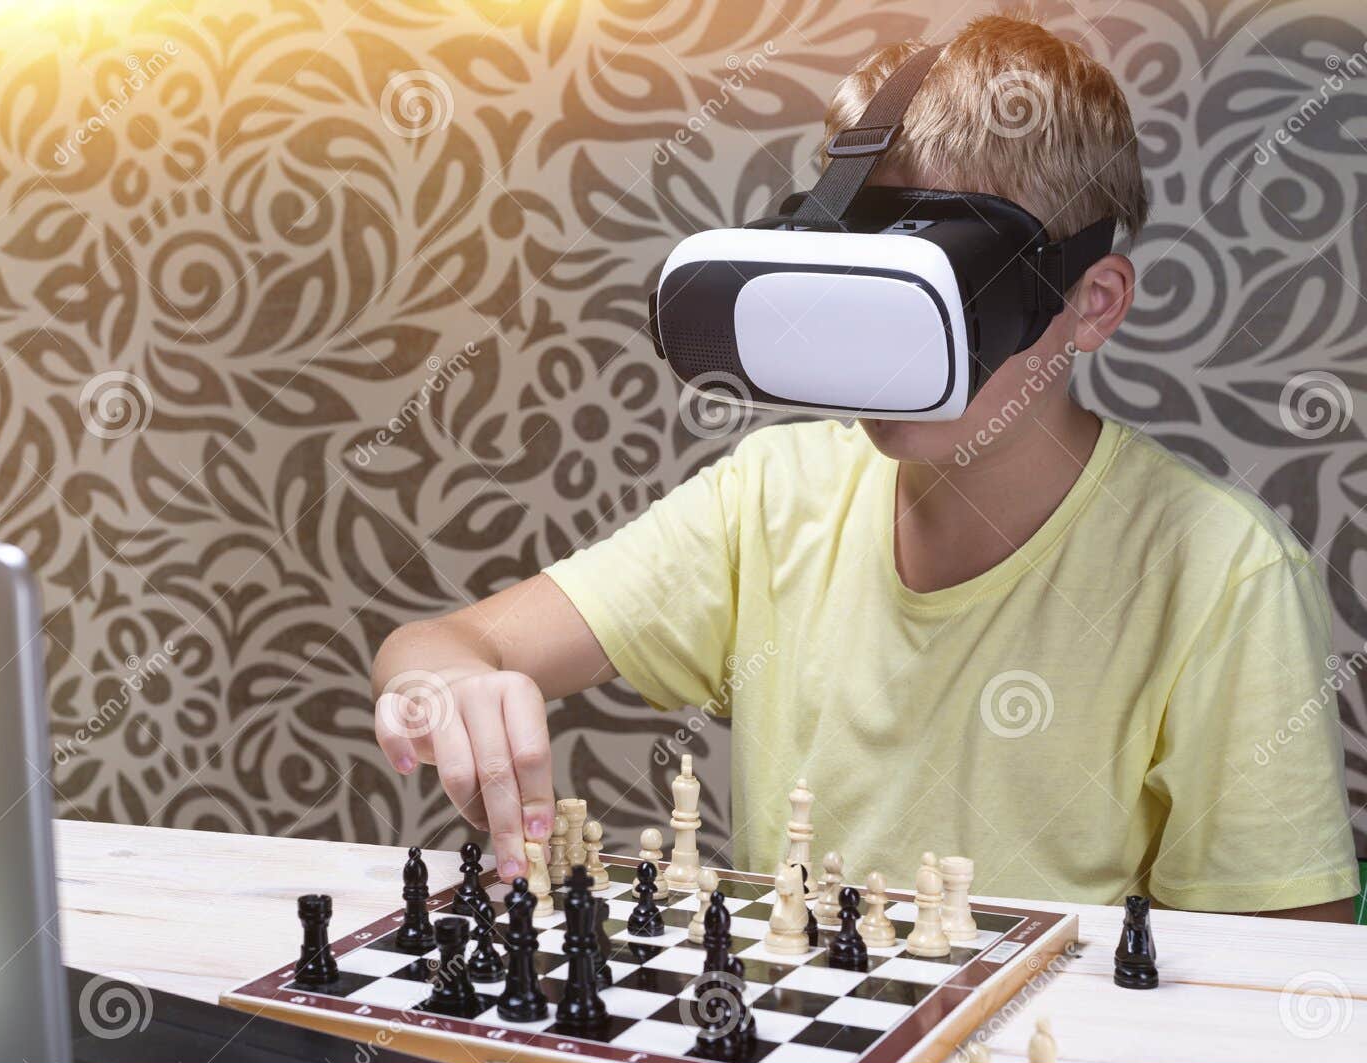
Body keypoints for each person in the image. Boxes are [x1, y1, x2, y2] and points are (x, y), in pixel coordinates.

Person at [370, 14, 1359, 920]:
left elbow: (1278, 1003)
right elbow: (444, 643)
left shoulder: (1221, 574)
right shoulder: (772, 498)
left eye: (943, 280)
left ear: (1091, 301)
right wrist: (442, 683)